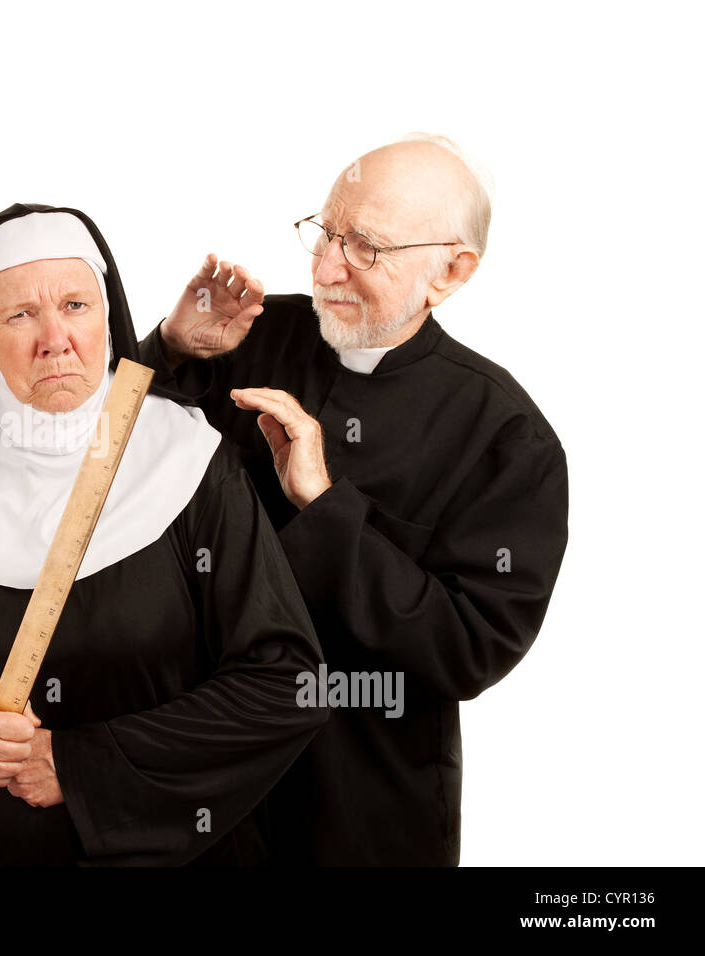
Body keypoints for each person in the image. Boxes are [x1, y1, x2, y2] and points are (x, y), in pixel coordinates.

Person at [0, 203, 327, 866]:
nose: (54, 338)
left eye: (74, 305)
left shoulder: (190, 463)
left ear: (106, 317)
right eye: (19, 314)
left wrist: (79, 765)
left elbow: (286, 682)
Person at [137, 136, 569, 865]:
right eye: (327, 231)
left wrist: (325, 503)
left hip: (359, 816)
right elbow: (106, 472)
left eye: (365, 246)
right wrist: (172, 351)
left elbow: (469, 651)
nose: (326, 266)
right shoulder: (250, 334)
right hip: (192, 797)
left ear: (452, 271)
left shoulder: (507, 437)